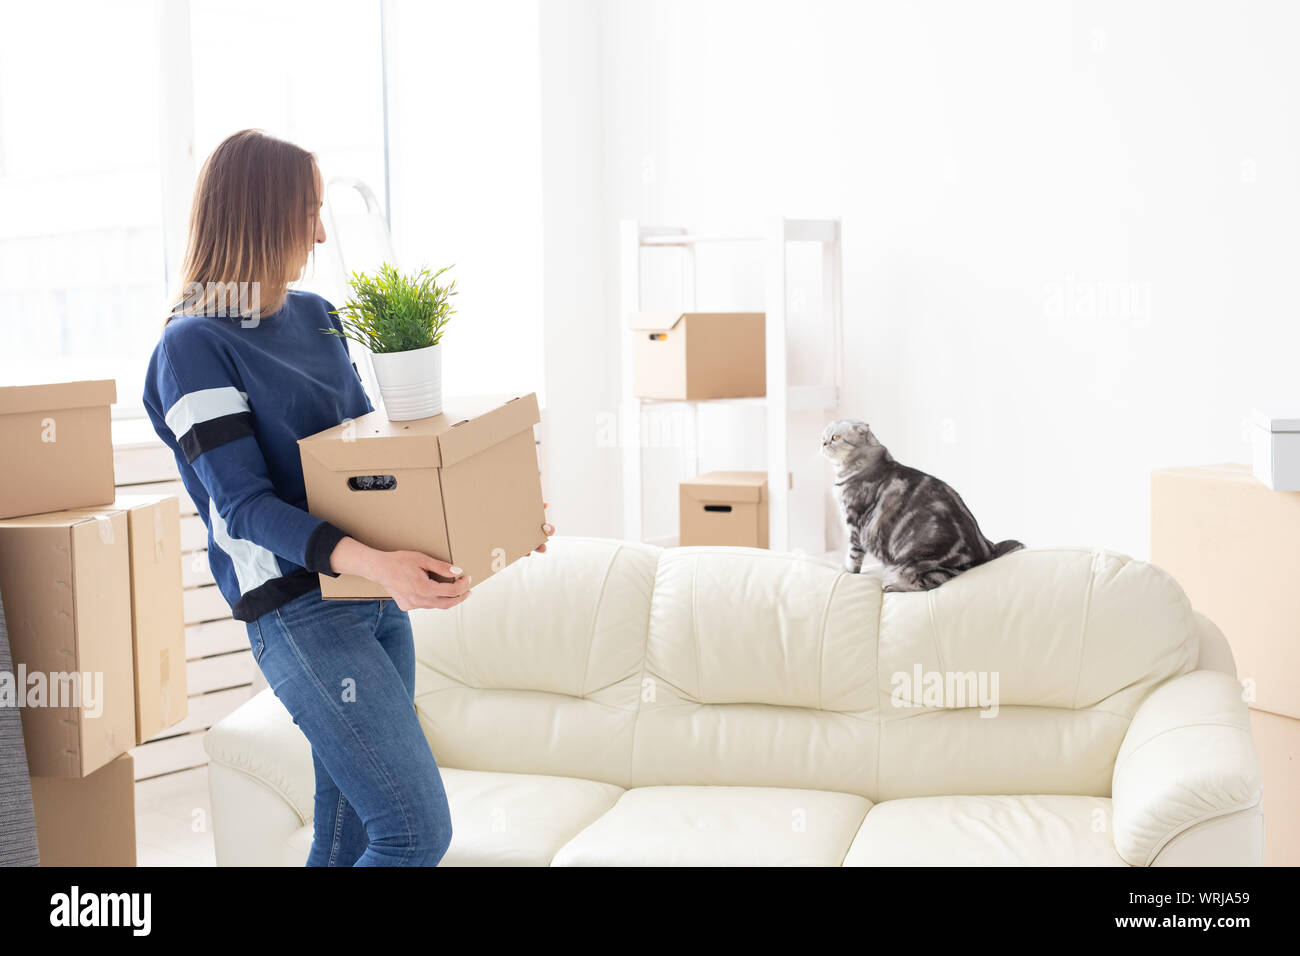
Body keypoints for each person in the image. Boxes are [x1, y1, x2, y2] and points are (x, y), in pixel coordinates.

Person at [142, 129, 553, 866]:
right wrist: (382, 565)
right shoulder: (192, 346)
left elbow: (374, 460)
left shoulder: (316, 315)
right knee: (414, 831)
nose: (320, 231)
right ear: (260, 215)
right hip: (297, 612)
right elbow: (243, 505)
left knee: (351, 834)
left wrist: (498, 520)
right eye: (308, 211)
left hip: (370, 599)